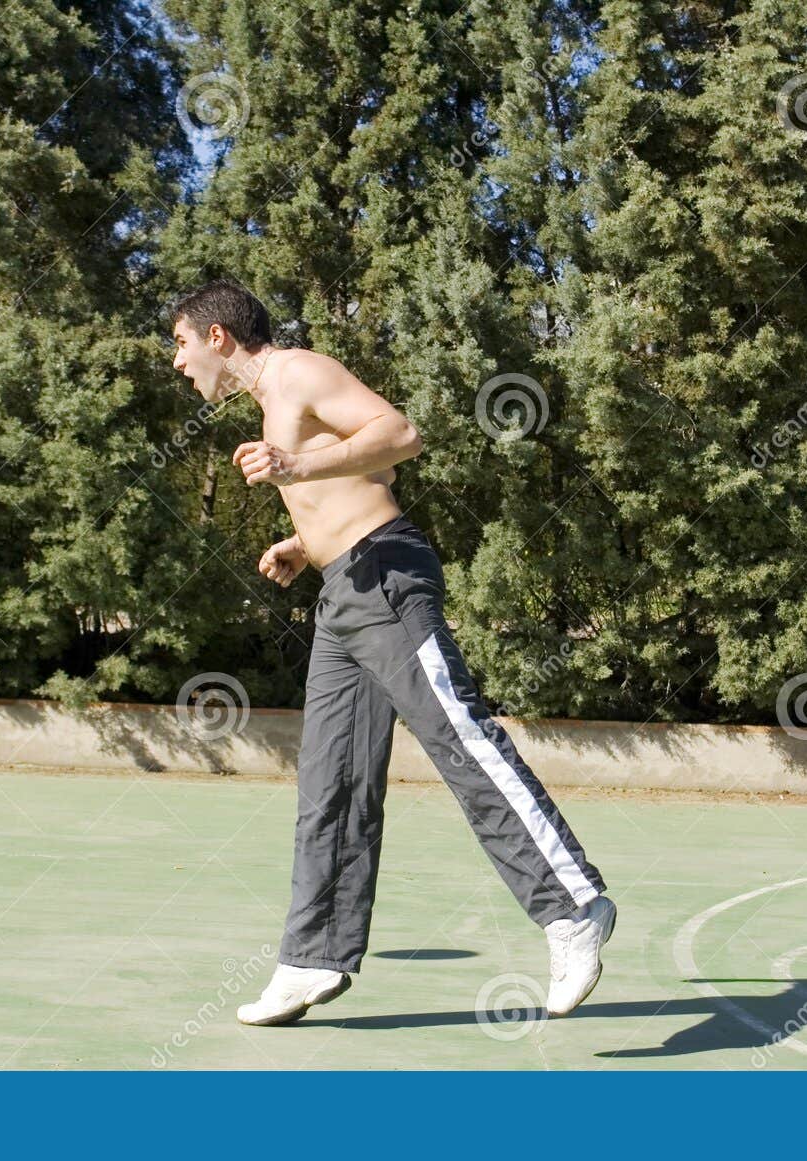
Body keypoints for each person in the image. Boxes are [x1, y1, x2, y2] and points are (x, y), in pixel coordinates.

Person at [168, 278, 614, 1026]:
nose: (178, 364)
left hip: (385, 576)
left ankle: (573, 908)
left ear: (218, 336)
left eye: (181, 344)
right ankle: (312, 955)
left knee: (461, 740)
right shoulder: (270, 402)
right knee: (330, 778)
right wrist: (304, 545)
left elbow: (400, 435)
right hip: (344, 586)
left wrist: (294, 469)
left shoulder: (298, 371)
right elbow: (366, 474)